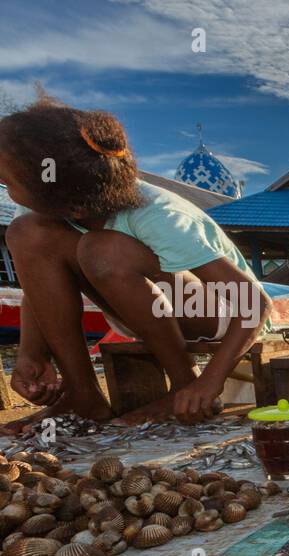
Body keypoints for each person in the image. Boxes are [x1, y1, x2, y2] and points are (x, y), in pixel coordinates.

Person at [0, 96, 269, 434]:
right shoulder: (47, 206)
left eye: (7, 182)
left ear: (73, 205)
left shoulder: (160, 216)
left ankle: (183, 382)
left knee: (102, 249)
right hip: (135, 310)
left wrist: (209, 383)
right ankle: (83, 395)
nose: (5, 189)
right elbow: (38, 285)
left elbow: (254, 303)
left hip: (211, 310)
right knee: (26, 233)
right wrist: (31, 353)